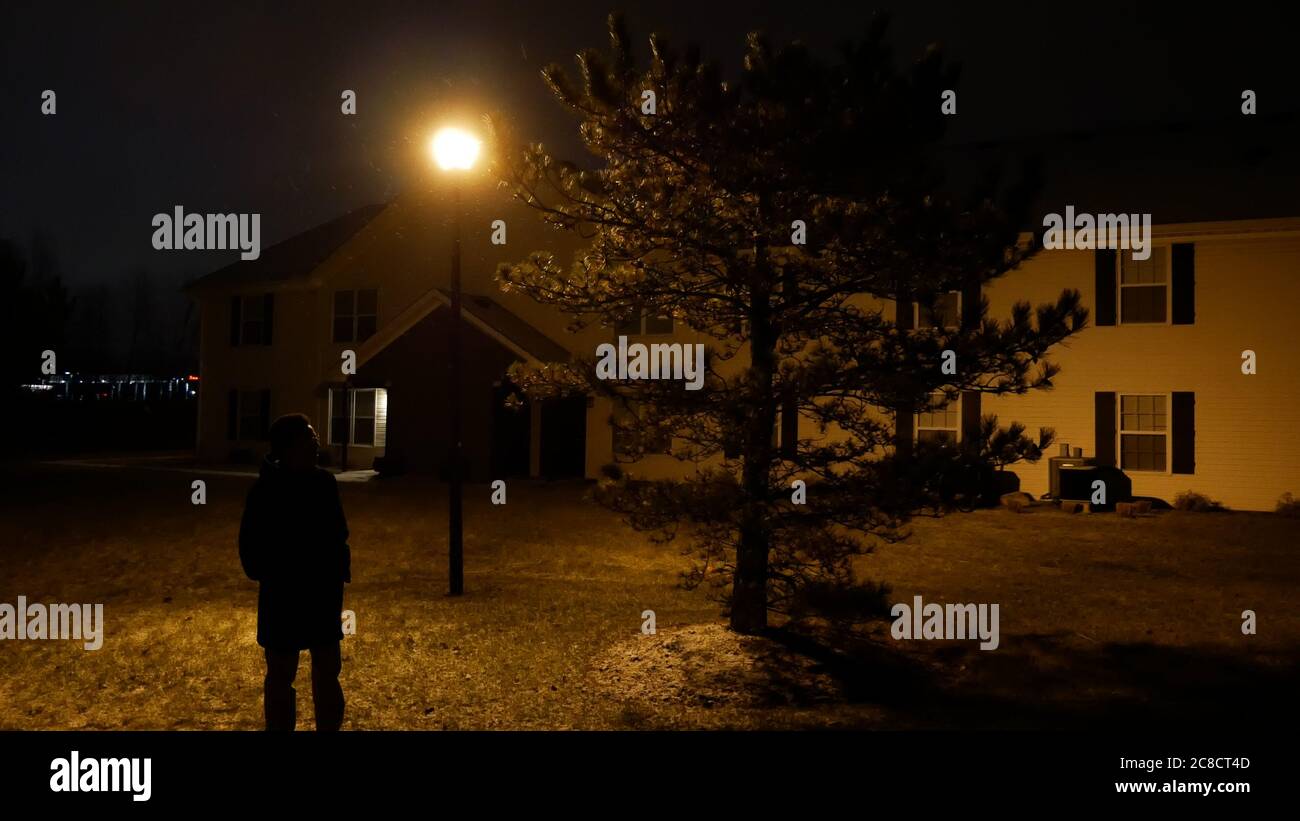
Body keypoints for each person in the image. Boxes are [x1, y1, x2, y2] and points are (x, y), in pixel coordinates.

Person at [239, 413, 352, 731]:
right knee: (280, 674)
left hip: (321, 594)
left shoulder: (323, 484)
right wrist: (276, 573)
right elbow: (250, 548)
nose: (316, 445)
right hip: (283, 597)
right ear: (287, 448)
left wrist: (335, 571)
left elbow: (339, 533)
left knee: (327, 670)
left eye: (315, 439)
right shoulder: (265, 491)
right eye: (308, 439)